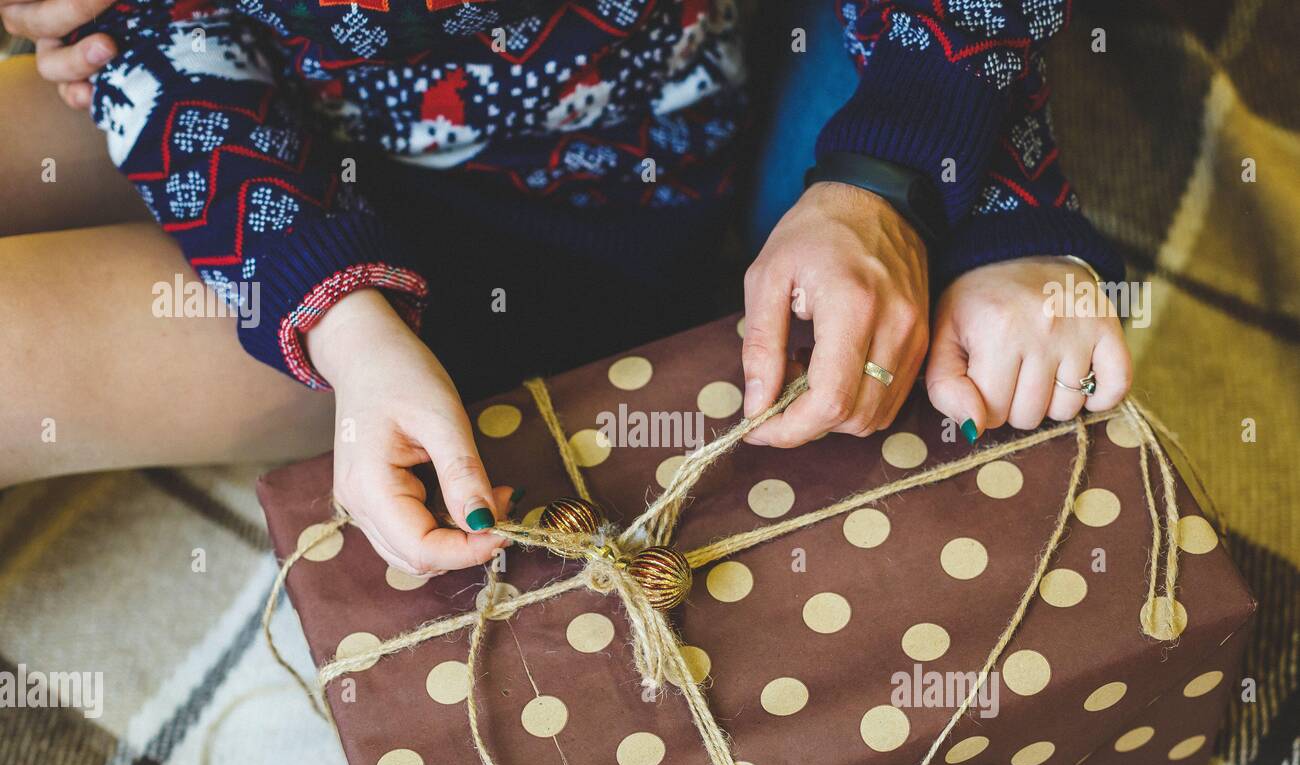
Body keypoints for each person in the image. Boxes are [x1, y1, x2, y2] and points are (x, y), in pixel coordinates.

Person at [0, 0, 1130, 577]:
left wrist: (953, 193)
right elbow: (159, 55)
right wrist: (334, 317)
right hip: (273, 123)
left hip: (590, 247)